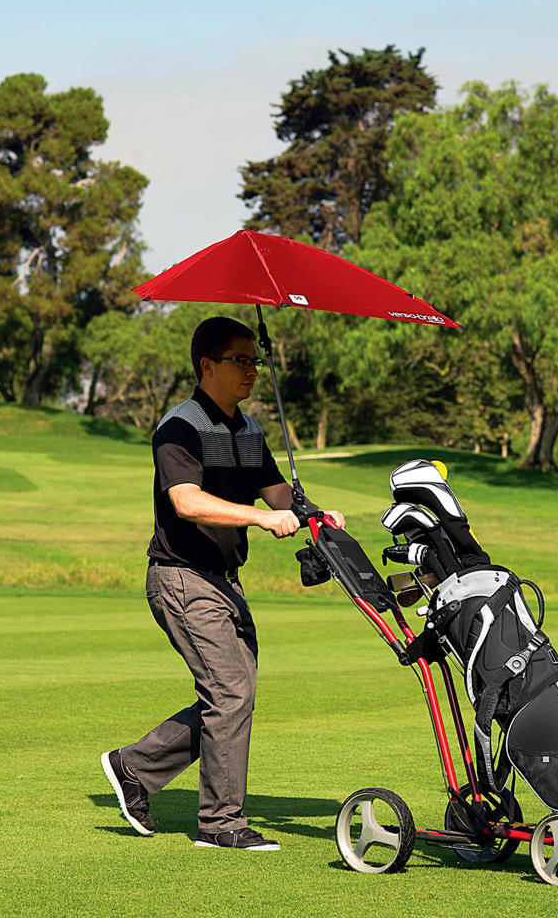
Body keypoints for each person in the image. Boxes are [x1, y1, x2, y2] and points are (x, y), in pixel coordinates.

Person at [101, 316, 344, 851]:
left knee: (231, 695)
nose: (252, 371)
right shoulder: (179, 427)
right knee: (231, 691)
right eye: (240, 360)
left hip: (226, 582)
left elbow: (276, 490)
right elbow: (186, 501)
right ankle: (219, 823)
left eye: (255, 360)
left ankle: (134, 767)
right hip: (181, 577)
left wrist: (314, 514)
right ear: (206, 365)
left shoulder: (249, 429)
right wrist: (258, 519)